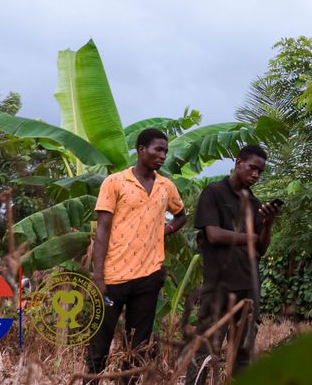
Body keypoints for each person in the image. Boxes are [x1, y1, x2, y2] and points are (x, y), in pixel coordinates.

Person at [86, 128, 186, 379]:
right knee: (99, 343)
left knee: (138, 346)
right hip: (113, 277)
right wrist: (98, 276)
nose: (162, 155)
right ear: (141, 150)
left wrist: (166, 229)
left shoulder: (166, 186)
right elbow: (102, 232)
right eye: (157, 149)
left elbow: (181, 214)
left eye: (165, 151)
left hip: (149, 276)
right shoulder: (115, 182)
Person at [186, 144, 280, 385]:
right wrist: (249, 237)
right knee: (205, 351)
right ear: (239, 163)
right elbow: (214, 235)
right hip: (218, 287)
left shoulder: (255, 204)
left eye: (260, 171)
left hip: (249, 288)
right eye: (252, 168)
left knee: (243, 356)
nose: (256, 175)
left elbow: (261, 248)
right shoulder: (214, 193)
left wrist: (267, 224)